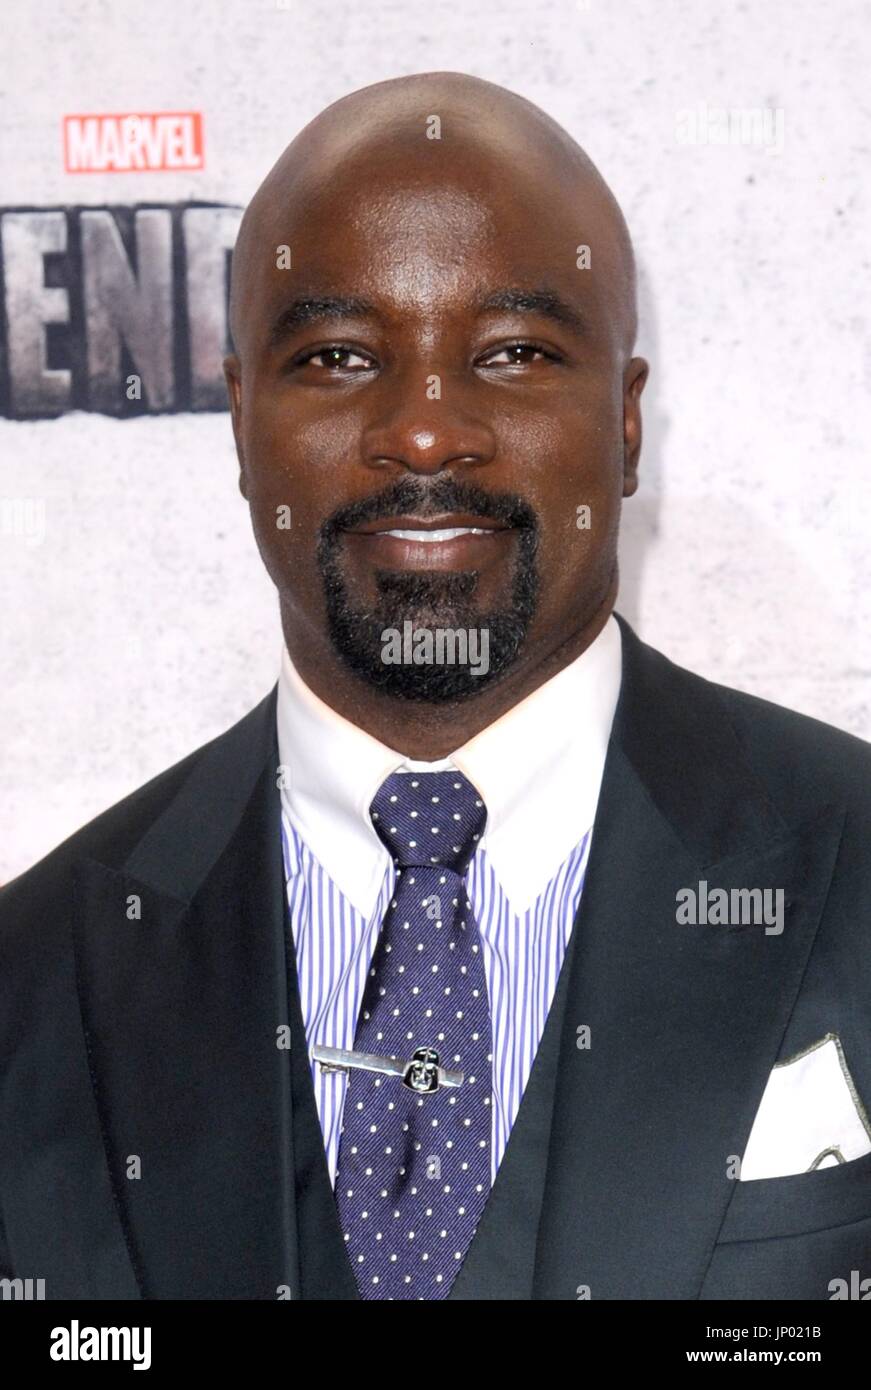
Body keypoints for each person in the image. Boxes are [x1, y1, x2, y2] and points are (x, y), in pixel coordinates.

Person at [1, 72, 869, 1302]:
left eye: (513, 351)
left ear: (625, 423)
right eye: (340, 354)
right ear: (241, 420)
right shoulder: (34, 979)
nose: (423, 431)